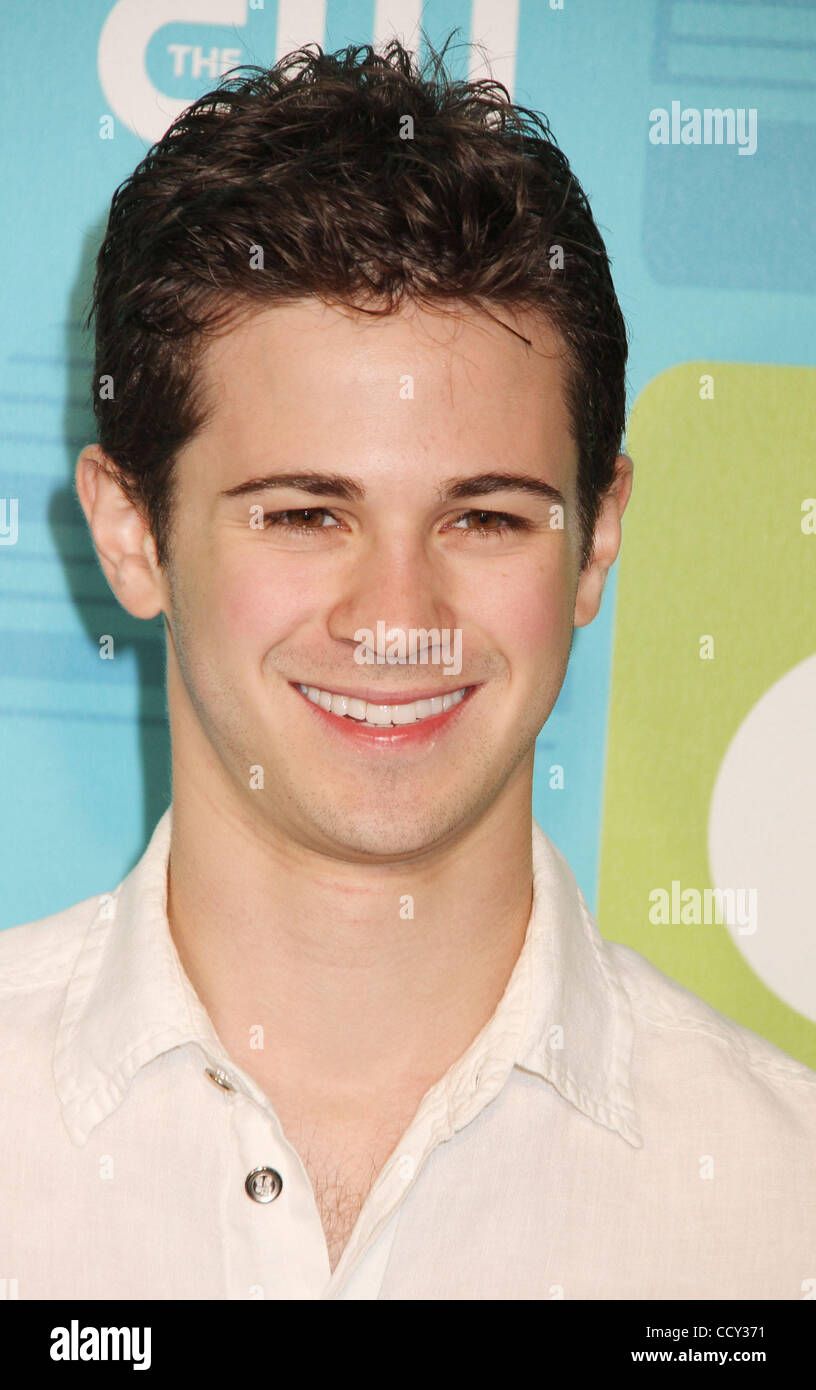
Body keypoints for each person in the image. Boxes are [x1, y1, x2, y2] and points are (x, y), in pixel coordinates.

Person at [2, 36, 813, 1302]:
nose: (399, 616)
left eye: (484, 517)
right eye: (302, 513)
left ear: (596, 542)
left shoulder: (782, 1202)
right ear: (132, 534)